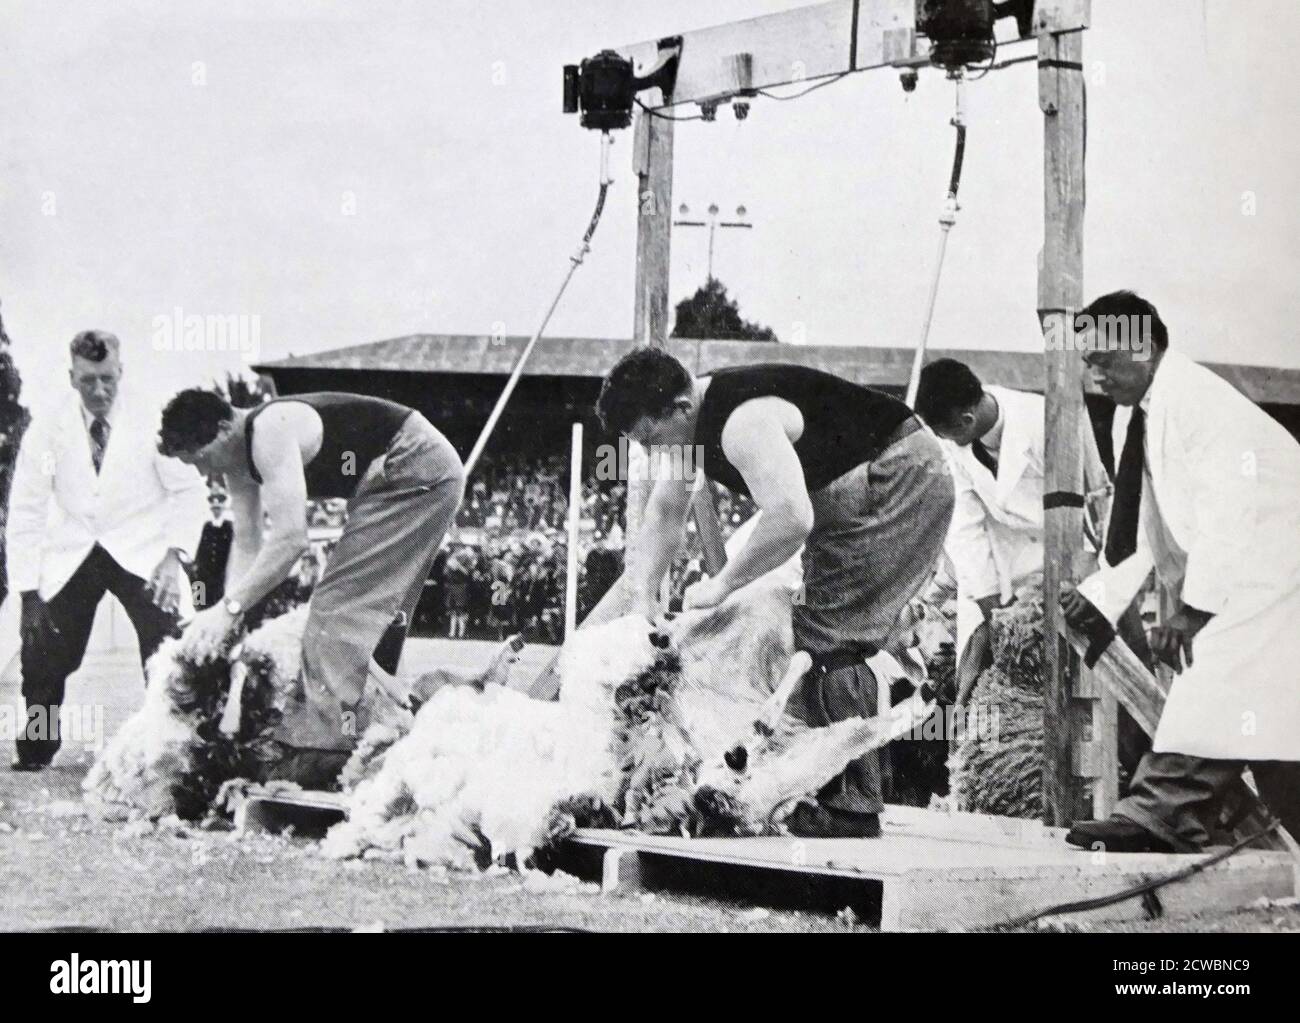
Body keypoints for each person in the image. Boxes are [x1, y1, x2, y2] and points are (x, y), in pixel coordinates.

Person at [596, 350, 954, 838]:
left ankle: (853, 810)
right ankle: (829, 789)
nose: (652, 453)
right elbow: (665, 511)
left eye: (651, 439)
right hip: (851, 490)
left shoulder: (741, 423)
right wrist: (645, 599)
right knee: (814, 633)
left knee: (831, 640)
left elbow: (791, 518)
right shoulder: (689, 420)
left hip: (897, 475)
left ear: (680, 409)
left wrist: (723, 584)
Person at [1062, 291, 1300, 851]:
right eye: (1087, 362)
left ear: (1142, 347)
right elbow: (1148, 523)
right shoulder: (1135, 417)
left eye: (1103, 359)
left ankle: (1161, 814)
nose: (1094, 374)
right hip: (1256, 563)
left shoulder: (1201, 404)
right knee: (1273, 724)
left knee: (1221, 678)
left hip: (1273, 559)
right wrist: (1104, 593)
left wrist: (1193, 612)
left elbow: (1229, 512)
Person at [157, 389, 464, 789]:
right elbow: (248, 543)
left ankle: (325, 755)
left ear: (222, 429)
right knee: (373, 624)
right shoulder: (237, 459)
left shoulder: (269, 431)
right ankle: (385, 736)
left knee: (336, 608)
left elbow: (289, 541)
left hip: (413, 465)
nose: (202, 473)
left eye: (200, 458)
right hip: (403, 472)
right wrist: (227, 621)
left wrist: (229, 609)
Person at [7, 331, 206, 770]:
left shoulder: (153, 419)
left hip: (145, 550)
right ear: (71, 377)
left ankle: (177, 750)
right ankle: (36, 749)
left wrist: (175, 558)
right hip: (73, 551)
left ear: (122, 371)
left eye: (108, 379)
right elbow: (26, 509)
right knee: (41, 652)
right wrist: (26, 592)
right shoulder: (46, 429)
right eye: (88, 380)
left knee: (169, 648)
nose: (99, 391)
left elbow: (188, 492)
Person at [915, 360, 1052, 705]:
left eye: (947, 434)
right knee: (975, 677)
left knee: (1062, 676)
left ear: (967, 421)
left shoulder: (1043, 420)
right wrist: (997, 614)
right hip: (999, 561)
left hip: (1058, 555)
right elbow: (965, 527)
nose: (944, 441)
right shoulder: (952, 439)